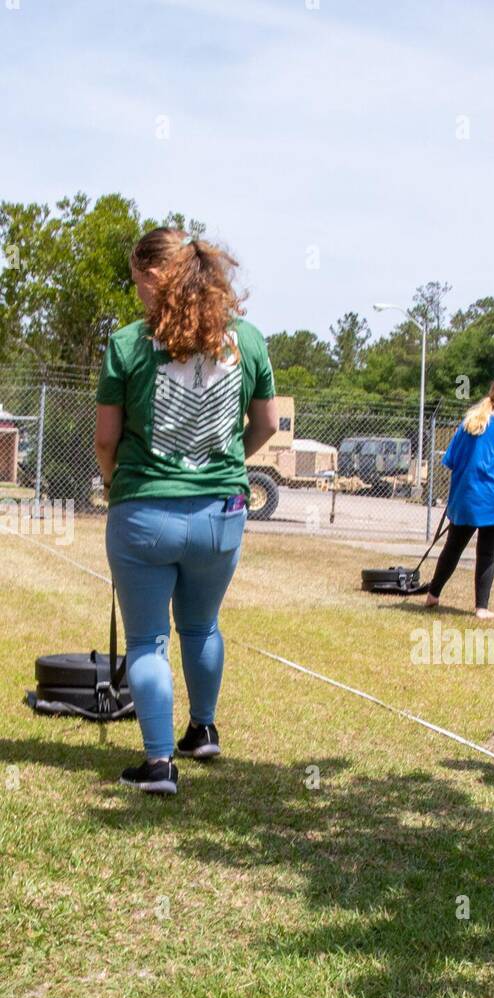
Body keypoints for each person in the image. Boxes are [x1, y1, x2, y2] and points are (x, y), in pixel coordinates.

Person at [94, 227, 279, 794]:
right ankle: (202, 730)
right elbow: (268, 424)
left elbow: (105, 439)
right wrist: (226, 462)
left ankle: (157, 765)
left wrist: (113, 482)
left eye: (138, 282)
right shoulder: (247, 339)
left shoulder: (128, 343)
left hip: (144, 511)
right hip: (222, 512)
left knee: (148, 640)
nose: (138, 294)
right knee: (201, 625)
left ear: (156, 277)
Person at [424, 375, 494, 619]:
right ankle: (481, 608)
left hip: (468, 497)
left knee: (453, 548)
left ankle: (433, 595)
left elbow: (451, 460)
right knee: (487, 553)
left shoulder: (471, 421)